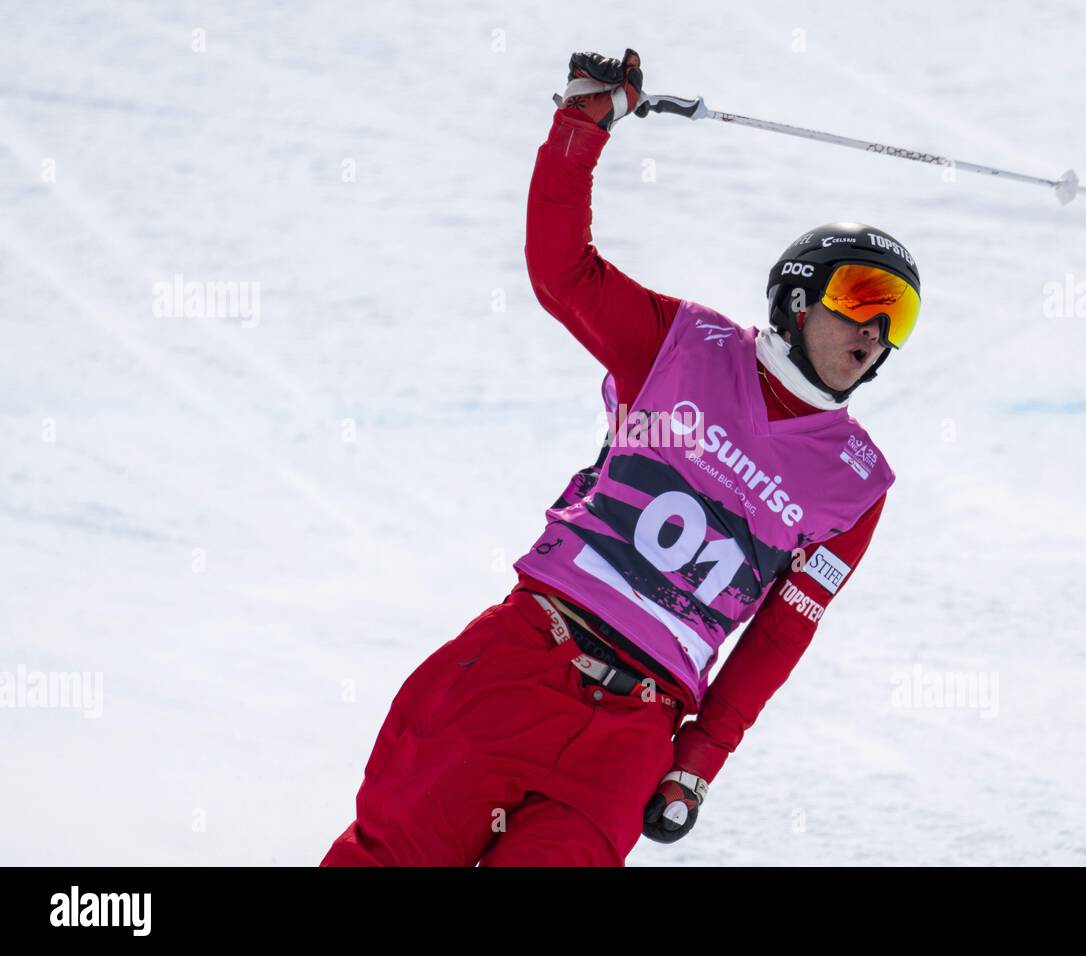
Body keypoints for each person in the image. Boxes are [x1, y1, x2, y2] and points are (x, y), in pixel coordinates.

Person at [321, 47, 921, 867]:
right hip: (520, 665)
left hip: (632, 736)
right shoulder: (685, 346)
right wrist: (581, 126)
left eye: (899, 318)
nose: (875, 333)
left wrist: (697, 766)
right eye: (864, 300)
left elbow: (779, 639)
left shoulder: (856, 484)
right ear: (796, 295)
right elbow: (560, 270)